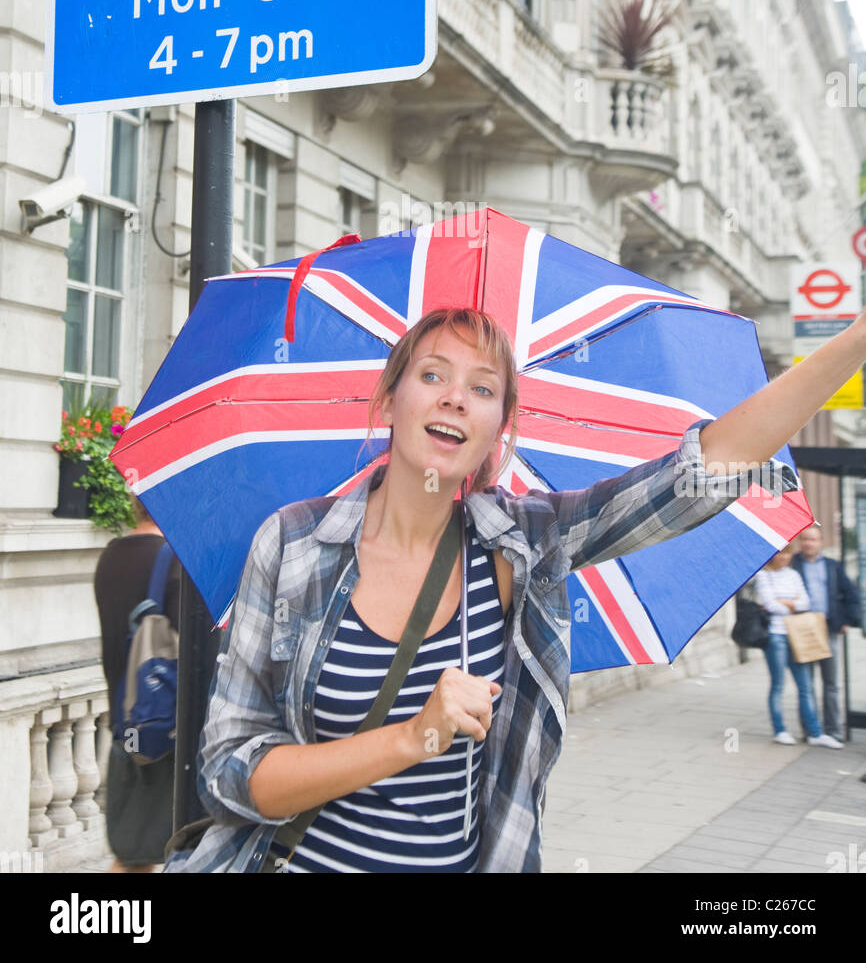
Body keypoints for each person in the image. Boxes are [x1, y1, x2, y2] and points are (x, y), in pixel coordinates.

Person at [165, 300, 866, 873]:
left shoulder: (521, 545)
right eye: (432, 375)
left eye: (482, 388)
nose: (455, 400)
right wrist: (411, 737)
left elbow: (701, 474)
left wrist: (853, 341)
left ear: (500, 426)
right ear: (389, 397)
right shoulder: (292, 544)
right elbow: (229, 774)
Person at [93, 493, 181, 872]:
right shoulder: (174, 562)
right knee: (152, 856)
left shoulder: (110, 557)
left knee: (132, 856)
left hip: (125, 727)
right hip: (166, 732)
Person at [753, 546, 841, 748]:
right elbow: (770, 605)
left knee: (806, 686)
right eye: (780, 553)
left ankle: (815, 733)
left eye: (787, 553)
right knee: (778, 684)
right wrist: (791, 603)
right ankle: (780, 730)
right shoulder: (763, 576)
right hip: (776, 635)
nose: (783, 557)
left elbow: (805, 602)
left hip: (796, 635)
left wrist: (784, 602)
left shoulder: (793, 574)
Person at [791, 524, 861, 741]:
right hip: (802, 630)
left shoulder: (832, 566)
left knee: (831, 684)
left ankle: (833, 730)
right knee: (806, 685)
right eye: (804, 539)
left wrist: (848, 620)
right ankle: (811, 731)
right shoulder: (792, 564)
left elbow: (851, 593)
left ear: (820, 543)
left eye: (812, 539)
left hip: (828, 629)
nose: (808, 543)